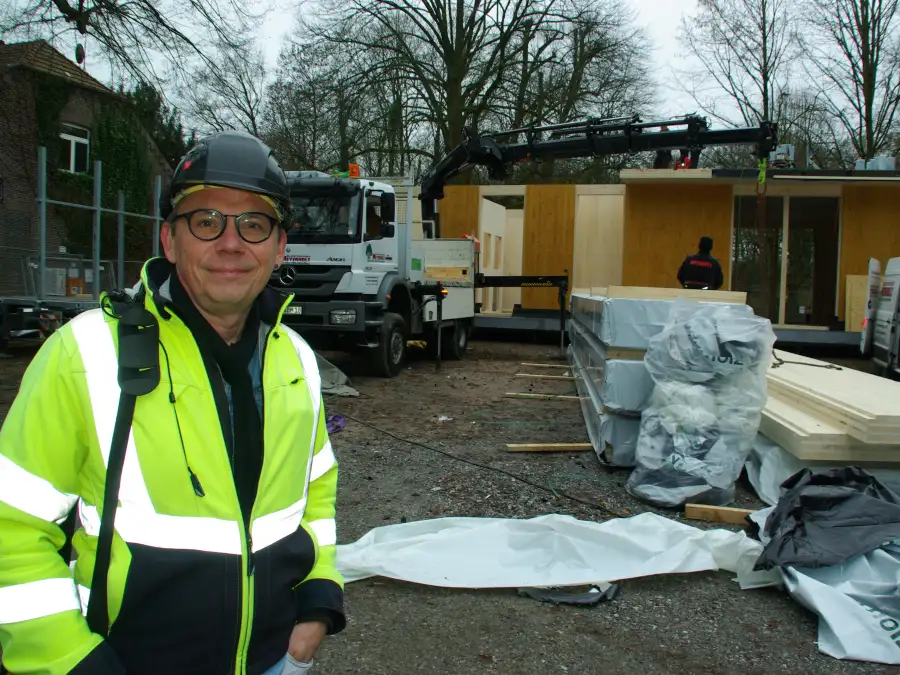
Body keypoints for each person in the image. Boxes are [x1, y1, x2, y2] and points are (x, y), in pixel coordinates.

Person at [0, 131, 345, 675]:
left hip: (273, 662)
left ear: (279, 247)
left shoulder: (296, 360)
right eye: (206, 221)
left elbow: (315, 489)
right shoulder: (84, 355)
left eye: (253, 224)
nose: (230, 244)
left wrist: (318, 596)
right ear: (169, 239)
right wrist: (71, 662)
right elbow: (10, 531)